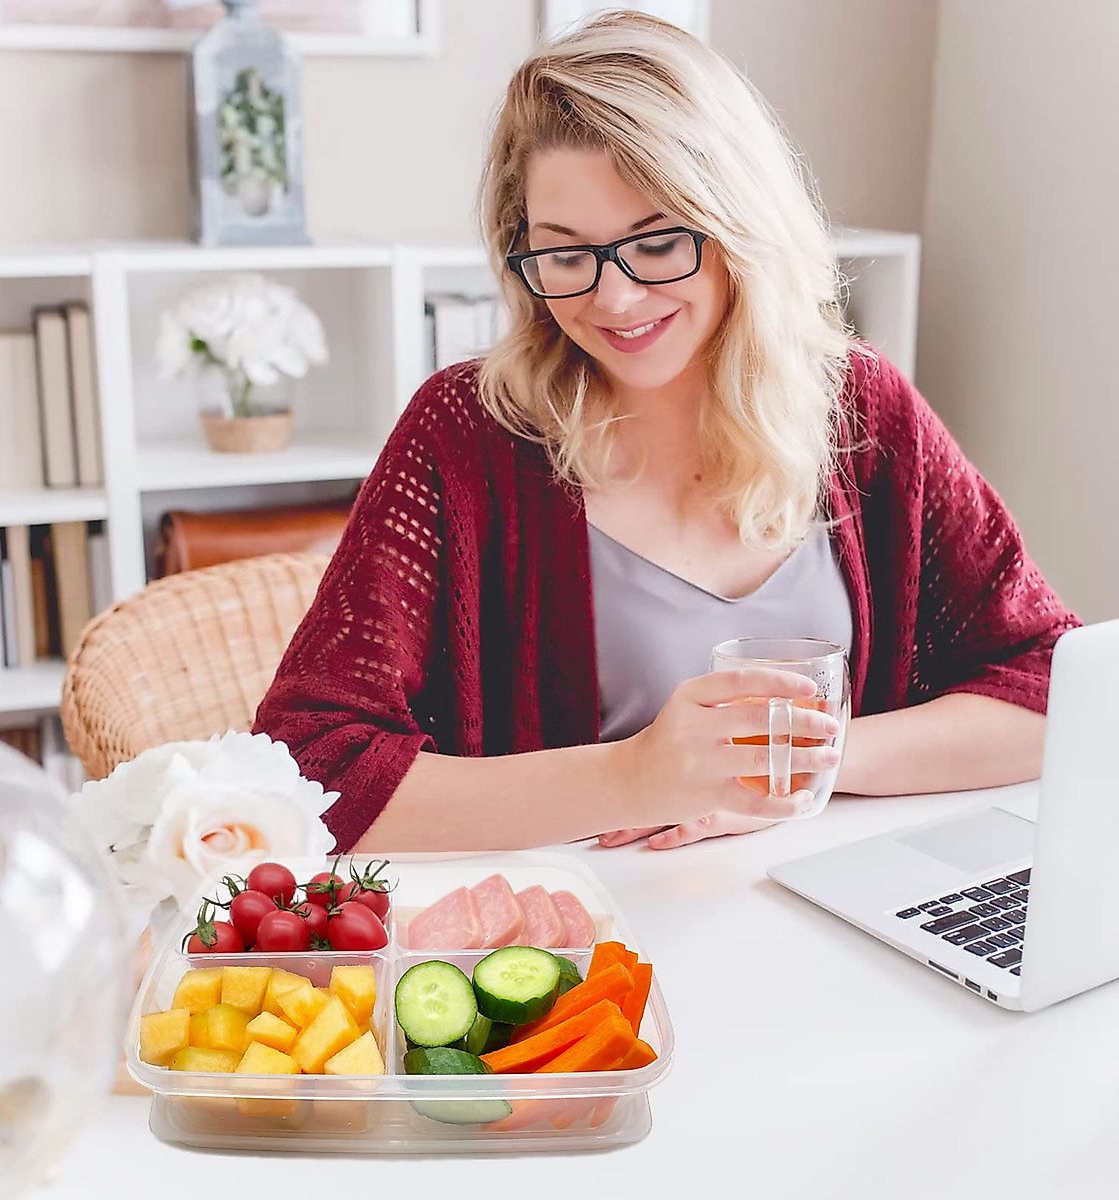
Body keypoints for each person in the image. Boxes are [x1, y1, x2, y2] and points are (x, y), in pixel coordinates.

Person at [253, 12, 1078, 855]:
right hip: (577, 951)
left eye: (656, 241)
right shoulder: (466, 434)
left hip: (823, 920)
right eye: (565, 253)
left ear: (738, 226)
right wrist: (632, 776)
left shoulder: (861, 410)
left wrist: (799, 765)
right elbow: (307, 768)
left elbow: (1057, 688)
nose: (612, 299)